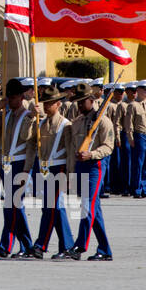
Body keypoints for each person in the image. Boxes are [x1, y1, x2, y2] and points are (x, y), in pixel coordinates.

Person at [64, 87, 116, 261]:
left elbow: (108, 146)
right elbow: (73, 149)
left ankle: (80, 245)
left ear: (92, 100)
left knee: (87, 205)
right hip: (80, 167)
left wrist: (92, 154)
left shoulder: (103, 121)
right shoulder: (77, 122)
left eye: (82, 101)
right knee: (94, 210)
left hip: (95, 166)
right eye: (77, 101)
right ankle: (104, 249)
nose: (79, 104)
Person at [0, 77, 38, 256]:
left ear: (21, 97)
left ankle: (16, 245)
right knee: (10, 206)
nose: (10, 101)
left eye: (13, 98)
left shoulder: (27, 115)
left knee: (15, 205)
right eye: (8, 97)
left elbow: (29, 142)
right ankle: (19, 245)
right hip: (6, 165)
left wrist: (27, 169)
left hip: (20, 164)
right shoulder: (6, 114)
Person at [28, 86, 73, 259]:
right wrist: (32, 116)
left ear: (58, 104)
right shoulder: (40, 123)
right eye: (45, 103)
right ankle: (67, 246)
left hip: (59, 168)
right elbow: (28, 141)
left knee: (51, 207)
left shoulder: (65, 125)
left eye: (50, 103)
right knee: (53, 207)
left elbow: (69, 152)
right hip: (44, 169)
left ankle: (41, 245)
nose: (46, 106)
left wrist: (70, 175)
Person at [128, 79, 146, 198]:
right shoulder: (133, 105)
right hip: (139, 135)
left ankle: (145, 188)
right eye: (144, 89)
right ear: (138, 90)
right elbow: (129, 124)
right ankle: (136, 188)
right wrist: (130, 138)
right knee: (138, 163)